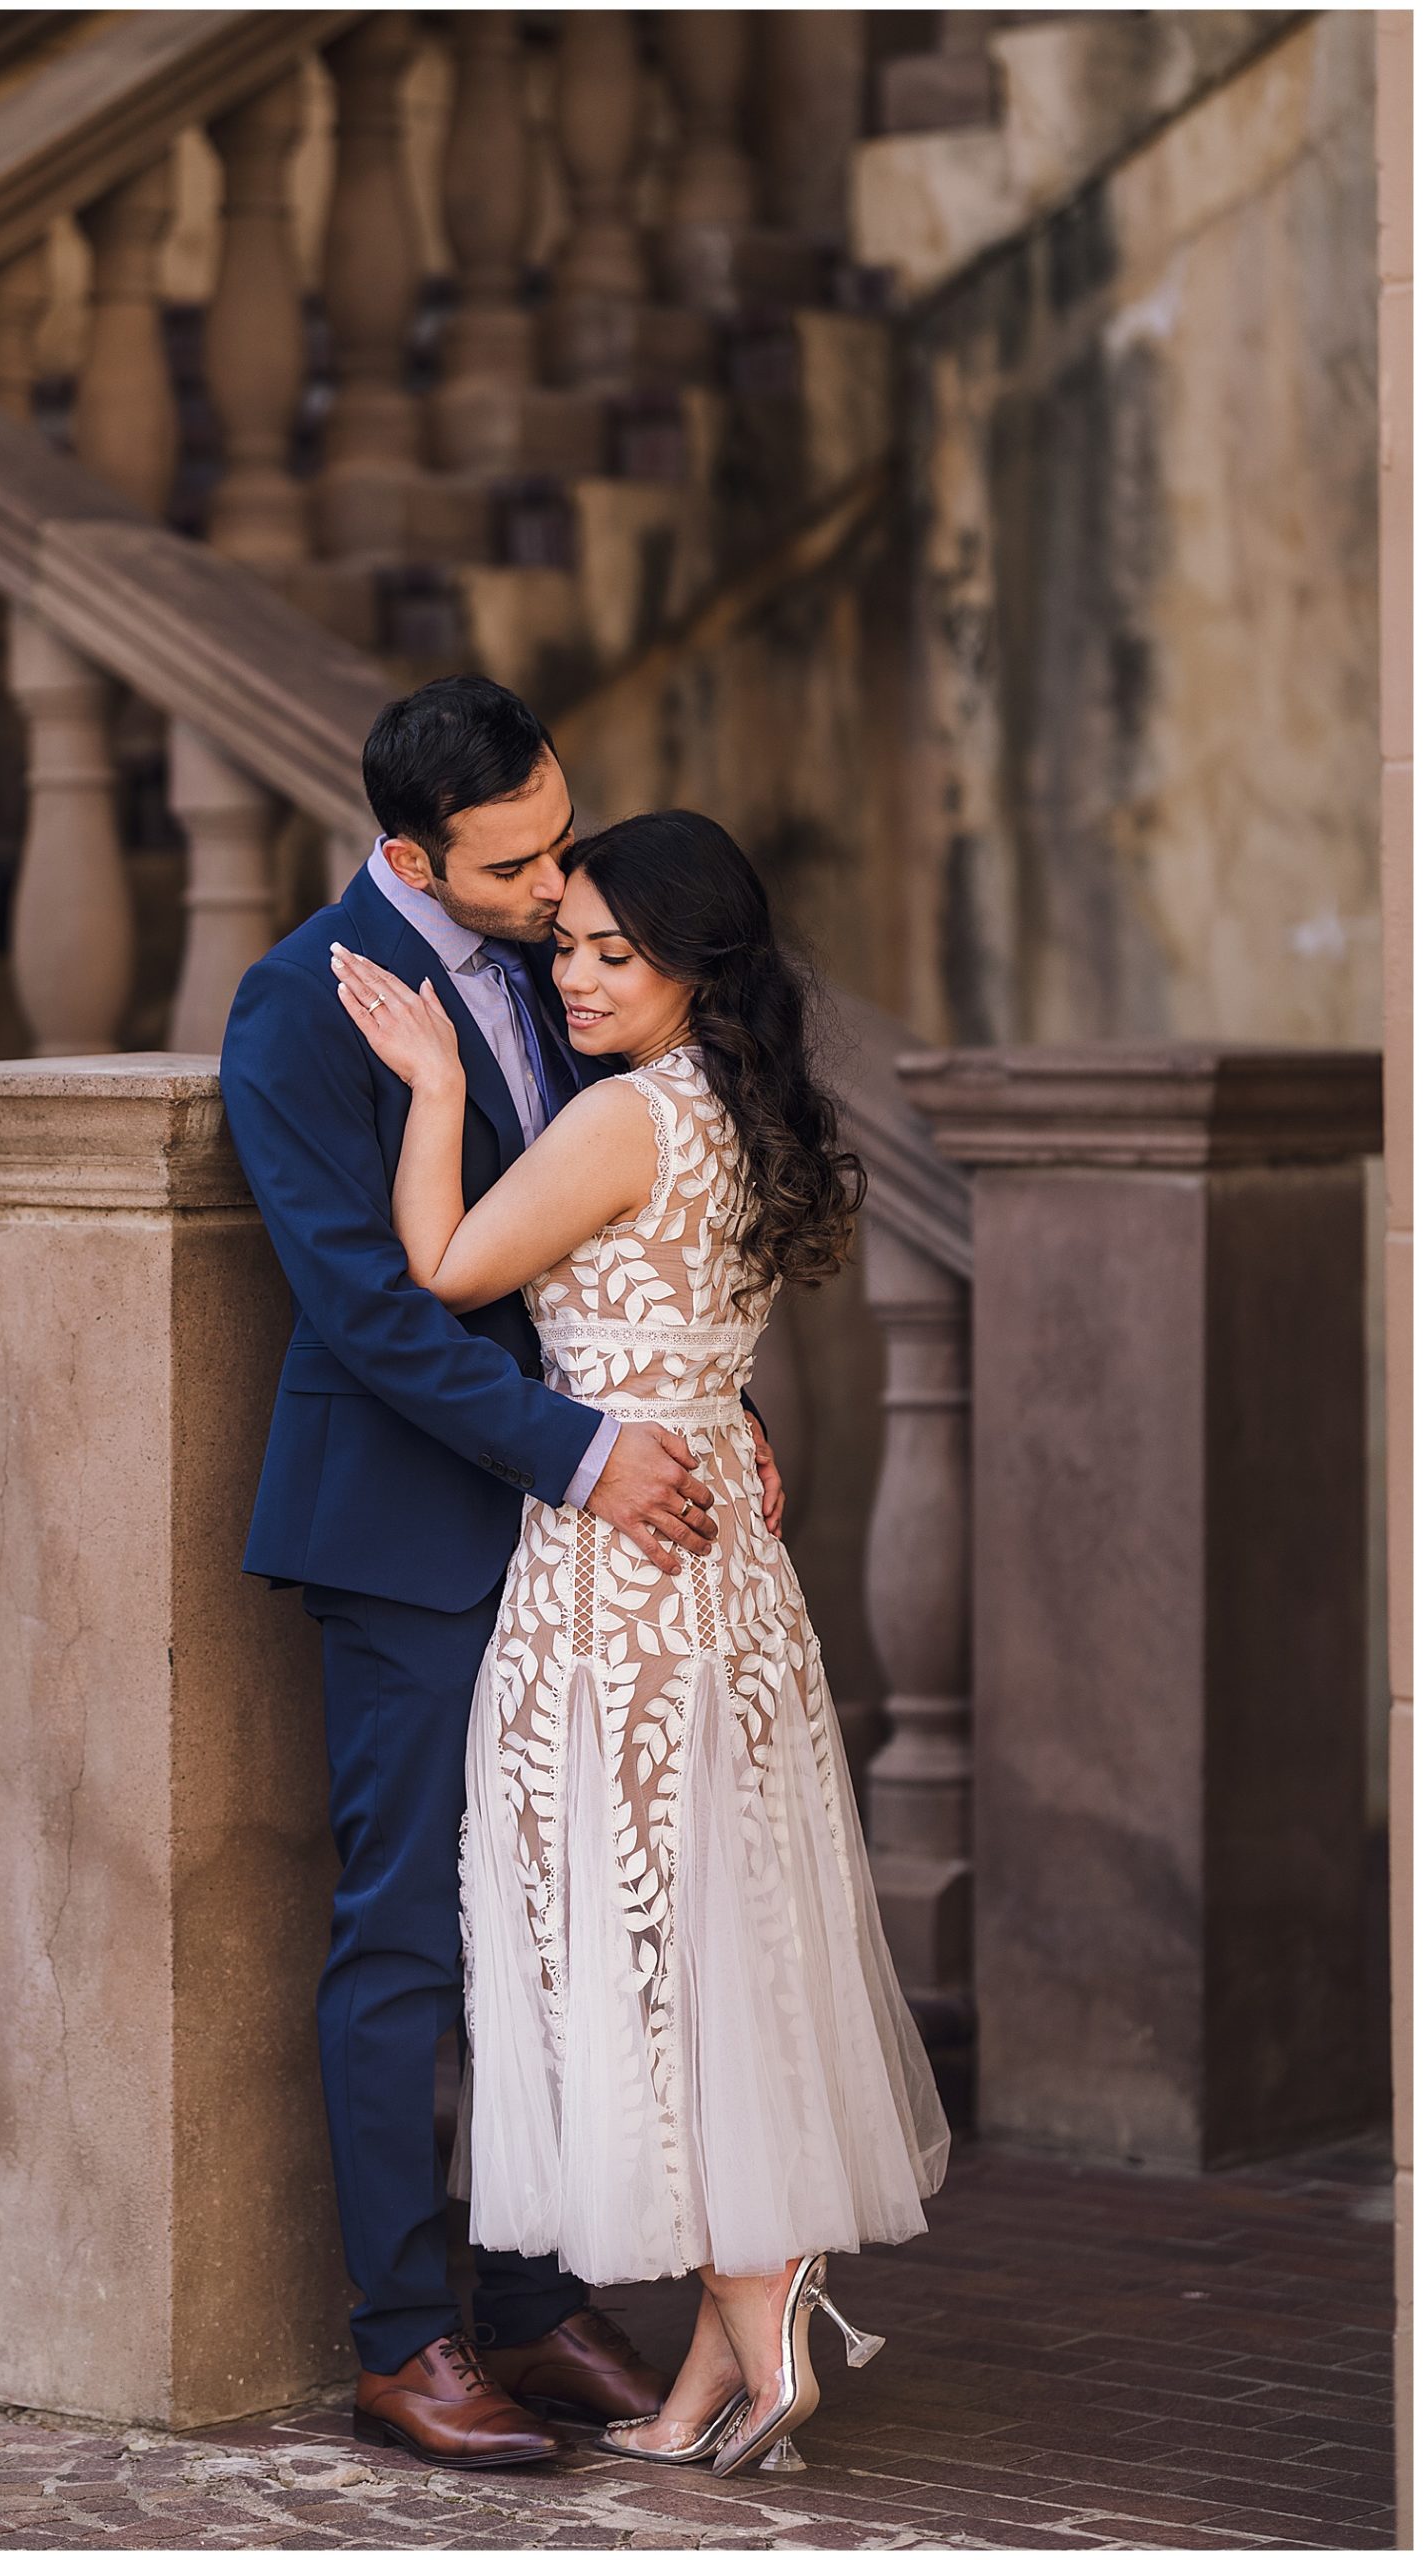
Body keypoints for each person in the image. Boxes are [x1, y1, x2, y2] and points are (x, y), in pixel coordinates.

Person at [330, 807, 951, 2478]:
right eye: (568, 947)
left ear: (697, 965)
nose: (577, 977)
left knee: (624, 1951)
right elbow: (687, 1340)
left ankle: (756, 2301)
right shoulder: (746, 1112)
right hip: (724, 1566)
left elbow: (442, 1265)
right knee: (717, 1942)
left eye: (616, 953)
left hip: (613, 1584)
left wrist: (438, 1089)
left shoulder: (619, 1119)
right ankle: (713, 2369)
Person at [219, 679, 787, 2469]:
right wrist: (587, 1452)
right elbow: (371, 1309)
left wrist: (703, 1404)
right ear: (410, 860)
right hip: (409, 1535)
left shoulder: (568, 966)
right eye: (516, 866)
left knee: (556, 1927)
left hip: (575, 1551)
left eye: (562, 838)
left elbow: (610, 1243)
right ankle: (405, 2340)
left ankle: (533, 2307)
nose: (557, 890)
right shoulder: (296, 1006)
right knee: (405, 1936)